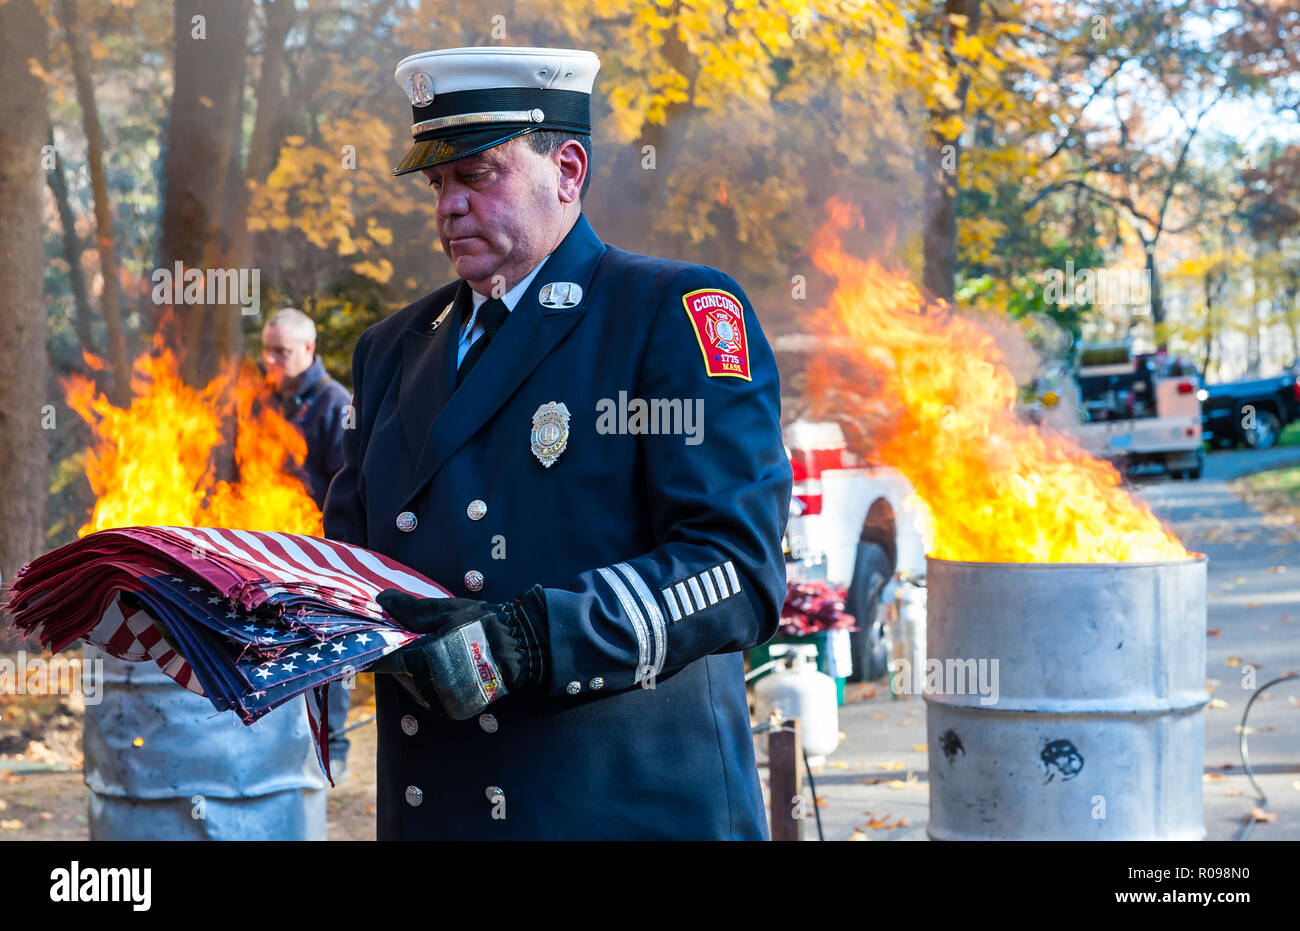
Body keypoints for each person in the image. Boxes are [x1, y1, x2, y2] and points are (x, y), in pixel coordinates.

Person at [322, 46, 792, 840]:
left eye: (477, 175)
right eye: (437, 183)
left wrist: (531, 640)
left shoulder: (670, 312)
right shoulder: (392, 348)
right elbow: (351, 559)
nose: (449, 207)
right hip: (439, 809)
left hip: (618, 811)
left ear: (568, 169)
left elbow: (735, 570)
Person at [260, 307, 355, 779]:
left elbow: (350, 483)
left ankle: (333, 747)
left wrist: (330, 549)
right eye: (267, 350)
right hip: (268, 550)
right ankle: (280, 742)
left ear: (308, 350)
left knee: (328, 648)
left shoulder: (335, 404)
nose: (271, 361)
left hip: (320, 552)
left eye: (281, 352)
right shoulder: (263, 401)